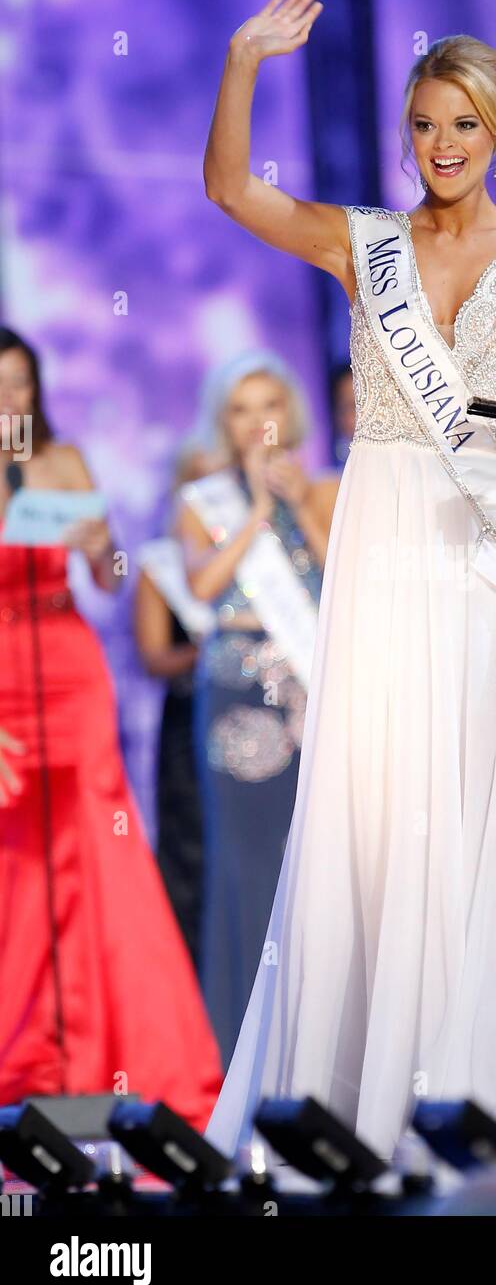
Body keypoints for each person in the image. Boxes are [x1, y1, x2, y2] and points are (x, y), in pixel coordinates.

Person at [201, 0, 496, 1161]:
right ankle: (385, 1075)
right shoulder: (364, 244)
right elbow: (232, 193)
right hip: (394, 541)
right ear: (406, 134)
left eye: (463, 124)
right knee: (391, 806)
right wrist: (241, 61)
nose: (443, 146)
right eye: (423, 124)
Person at [0, 326, 222, 1130]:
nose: (10, 401)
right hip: (2, 689)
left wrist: (102, 548)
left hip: (69, 671)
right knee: (19, 867)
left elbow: (108, 575)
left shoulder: (62, 463)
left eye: (20, 384)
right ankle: (27, 1058)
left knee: (99, 851)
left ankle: (119, 1057)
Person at [177, 349, 338, 1067]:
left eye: (267, 405)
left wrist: (298, 504)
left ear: (289, 415)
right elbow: (205, 587)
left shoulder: (325, 487)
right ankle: (244, 1046)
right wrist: (256, 513)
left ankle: (322, 1042)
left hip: (315, 693)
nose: (255, 422)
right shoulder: (201, 501)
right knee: (246, 866)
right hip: (238, 698)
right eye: (240, 409)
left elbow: (345, 576)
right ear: (224, 420)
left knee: (318, 864)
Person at [134, 450, 222, 971]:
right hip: (188, 725)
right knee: (190, 850)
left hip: (261, 719)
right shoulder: (162, 562)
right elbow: (152, 656)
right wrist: (216, 653)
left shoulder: (256, 552)